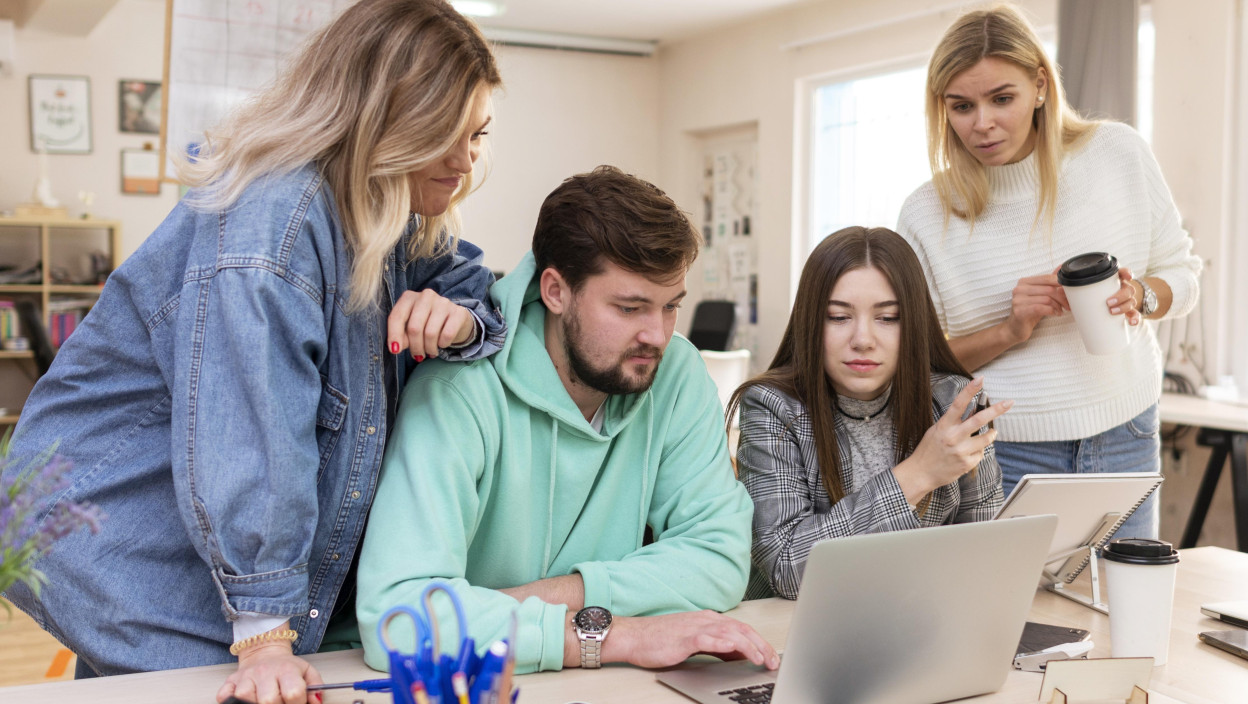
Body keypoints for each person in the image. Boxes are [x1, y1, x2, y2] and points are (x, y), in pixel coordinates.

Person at [1, 2, 506, 702]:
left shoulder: (388, 206)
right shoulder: (280, 216)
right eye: (443, 135)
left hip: (187, 532)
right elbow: (251, 429)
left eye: (478, 134)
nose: (465, 161)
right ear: (377, 120)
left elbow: (473, 282)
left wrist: (459, 318)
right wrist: (265, 629)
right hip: (115, 523)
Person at [357, 165, 780, 675]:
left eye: (670, 307)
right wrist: (613, 634)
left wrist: (535, 601)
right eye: (630, 308)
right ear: (555, 291)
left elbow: (719, 557)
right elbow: (400, 620)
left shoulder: (677, 373)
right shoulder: (456, 389)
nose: (658, 335)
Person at [896, 4, 1201, 540]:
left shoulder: (1117, 154)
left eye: (1002, 98)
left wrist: (1141, 298)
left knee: (1125, 608)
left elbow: (1182, 271)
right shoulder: (926, 212)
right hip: (1004, 451)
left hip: (1126, 429)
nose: (982, 123)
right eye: (961, 106)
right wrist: (1008, 330)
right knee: (1019, 620)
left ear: (1039, 85)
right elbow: (921, 361)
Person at [729, 226, 1007, 600]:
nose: (862, 339)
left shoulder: (951, 401)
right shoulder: (773, 406)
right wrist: (917, 475)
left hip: (924, 620)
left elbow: (986, 552)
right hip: (801, 632)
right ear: (812, 322)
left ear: (913, 325)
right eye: (838, 317)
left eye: (888, 318)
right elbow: (787, 567)